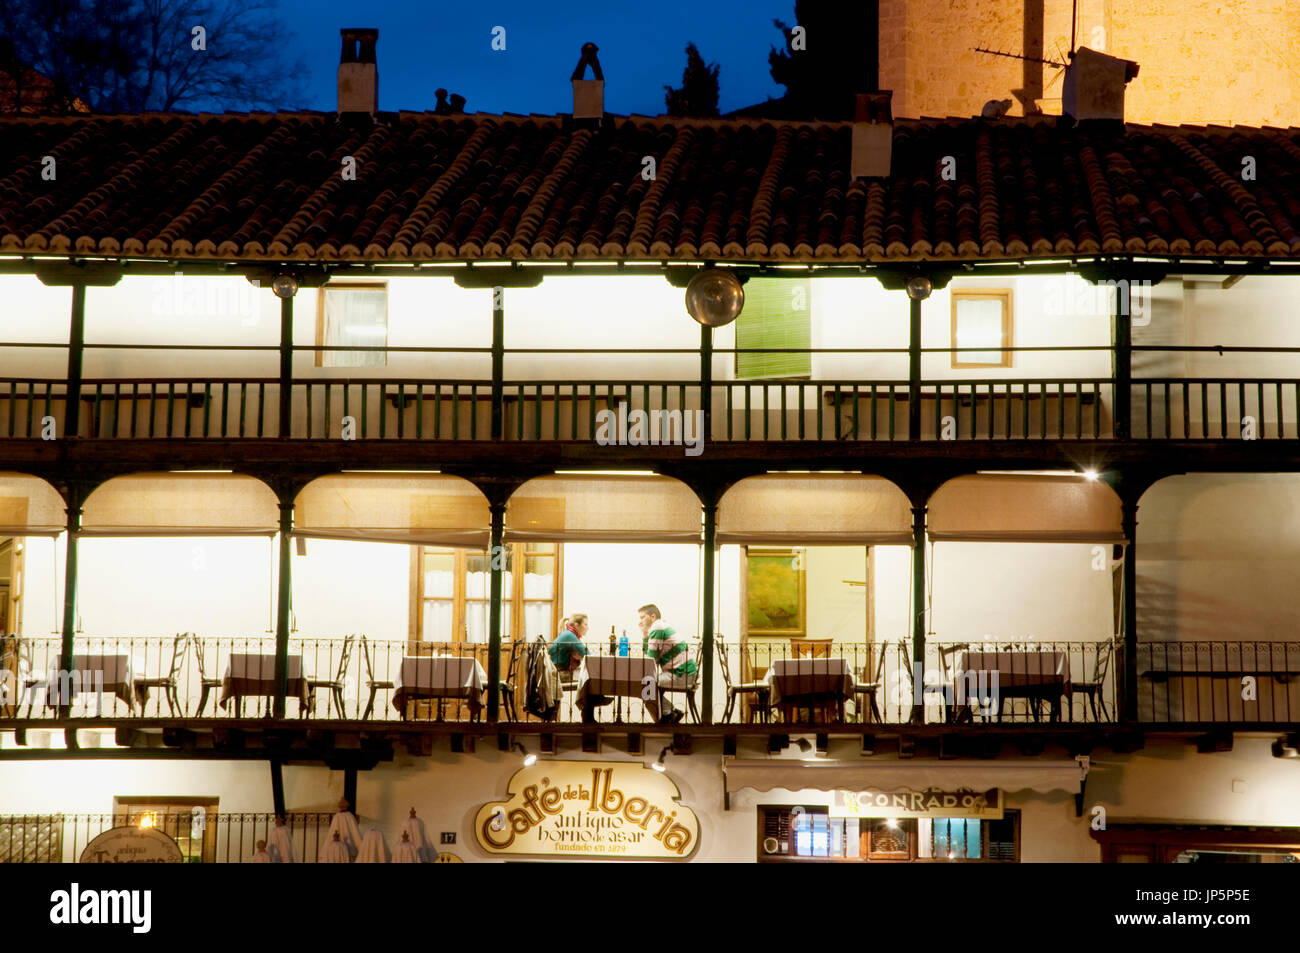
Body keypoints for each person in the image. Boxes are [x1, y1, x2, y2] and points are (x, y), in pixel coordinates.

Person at [638, 603, 697, 724]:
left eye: (642, 617)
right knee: (647, 684)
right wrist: (644, 634)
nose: (640, 621)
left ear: (653, 617)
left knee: (645, 685)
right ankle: (670, 712)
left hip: (681, 674)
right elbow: (652, 658)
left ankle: (669, 713)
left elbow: (651, 659)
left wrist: (646, 636)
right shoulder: (660, 626)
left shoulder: (657, 627)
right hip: (684, 673)